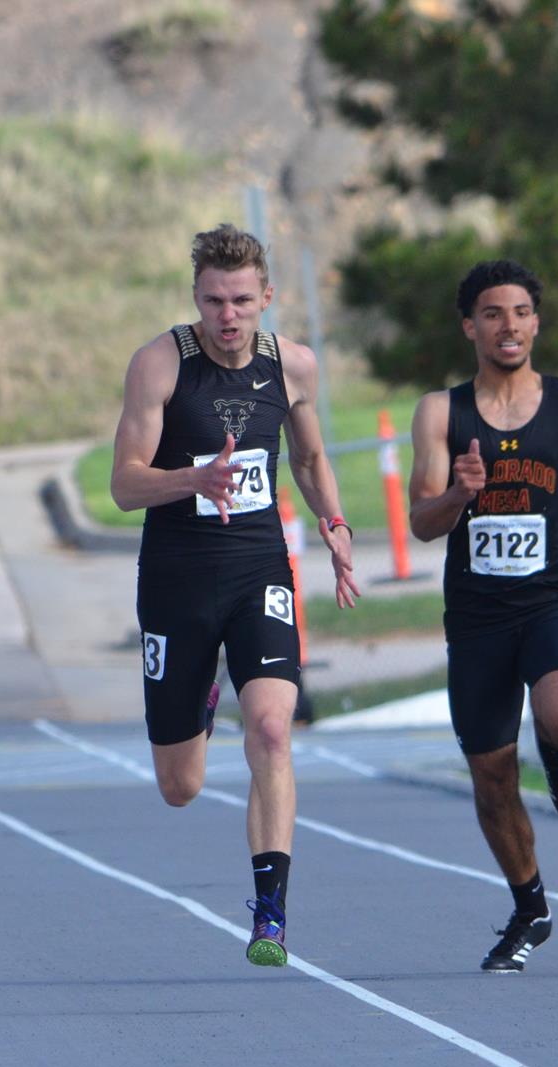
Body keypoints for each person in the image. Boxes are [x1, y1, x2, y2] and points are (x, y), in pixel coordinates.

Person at [109, 224, 358, 968]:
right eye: (214, 300)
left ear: (267, 299)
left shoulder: (294, 367)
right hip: (177, 581)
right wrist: (193, 479)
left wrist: (335, 522)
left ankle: (270, 912)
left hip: (257, 572)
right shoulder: (159, 366)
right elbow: (125, 484)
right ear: (196, 298)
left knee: (274, 733)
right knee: (180, 787)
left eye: (242, 301)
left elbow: (310, 458)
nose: (228, 315)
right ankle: (207, 692)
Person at [407, 260, 558, 973]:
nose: (507, 326)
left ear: (536, 323)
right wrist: (458, 495)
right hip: (478, 619)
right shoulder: (440, 412)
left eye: (520, 312)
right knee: (490, 776)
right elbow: (423, 522)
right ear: (469, 327)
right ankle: (530, 905)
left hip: (550, 603)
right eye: (492, 314)